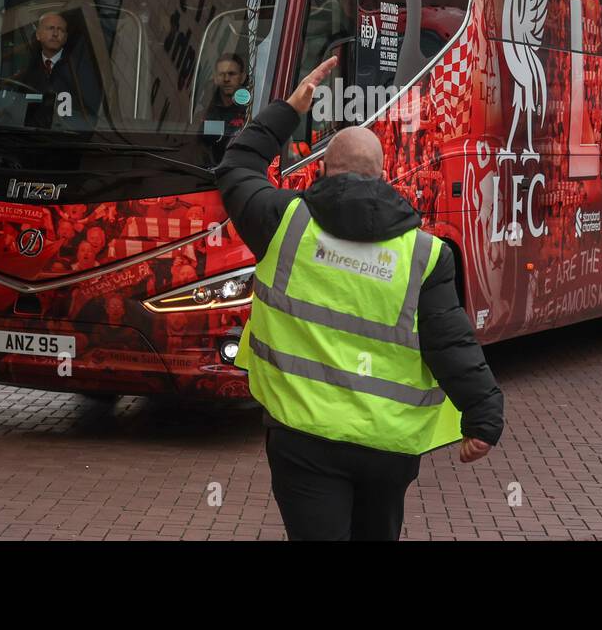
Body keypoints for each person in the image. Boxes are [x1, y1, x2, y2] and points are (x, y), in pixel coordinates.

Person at [216, 56, 504, 541]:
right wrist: (483, 414)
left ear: (323, 170)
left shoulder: (283, 222)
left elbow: (236, 165)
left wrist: (289, 110)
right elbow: (450, 342)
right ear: (383, 172)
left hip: (302, 437)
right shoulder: (425, 254)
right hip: (386, 446)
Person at [13, 11, 103, 123]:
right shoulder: (26, 71)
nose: (55, 33)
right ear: (38, 35)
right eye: (50, 28)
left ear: (65, 38)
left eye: (60, 30)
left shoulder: (79, 70)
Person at [201, 53, 249, 163]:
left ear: (242, 78)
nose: (226, 79)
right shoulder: (203, 113)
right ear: (215, 78)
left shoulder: (252, 110)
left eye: (232, 74)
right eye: (222, 74)